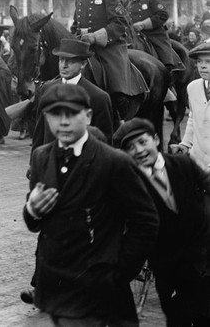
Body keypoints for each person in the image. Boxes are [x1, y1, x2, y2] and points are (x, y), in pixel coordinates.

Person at [24, 84, 159, 326]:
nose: (63, 122)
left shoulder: (113, 161)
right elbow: (36, 224)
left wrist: (119, 271)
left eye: (71, 113)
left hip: (100, 288)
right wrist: (32, 210)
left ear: (87, 116)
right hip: (57, 286)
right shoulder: (40, 157)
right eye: (55, 114)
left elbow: (146, 221)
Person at [114, 118, 210, 326]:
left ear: (156, 139)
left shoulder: (183, 164)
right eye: (130, 147)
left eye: (143, 142)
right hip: (169, 272)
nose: (139, 150)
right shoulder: (129, 185)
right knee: (178, 319)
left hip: (202, 264)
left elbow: (208, 185)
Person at [71, 0, 147, 122]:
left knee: (116, 87)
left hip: (109, 49)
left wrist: (95, 37)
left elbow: (120, 23)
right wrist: (73, 38)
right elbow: (75, 25)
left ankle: (121, 117)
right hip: (84, 48)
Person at [30, 38, 116, 147]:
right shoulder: (46, 90)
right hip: (51, 156)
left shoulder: (98, 97)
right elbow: (39, 135)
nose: (64, 65)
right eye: (61, 60)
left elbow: (104, 143)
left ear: (83, 64)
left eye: (70, 61)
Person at [121, 0, 184, 73]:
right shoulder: (127, 4)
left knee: (163, 53)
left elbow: (163, 15)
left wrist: (143, 24)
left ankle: (169, 69)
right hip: (134, 35)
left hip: (153, 34)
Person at [173, 41, 210, 171]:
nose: (203, 66)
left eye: (208, 61)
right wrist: (185, 143)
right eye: (199, 62)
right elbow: (192, 118)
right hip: (198, 162)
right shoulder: (193, 87)